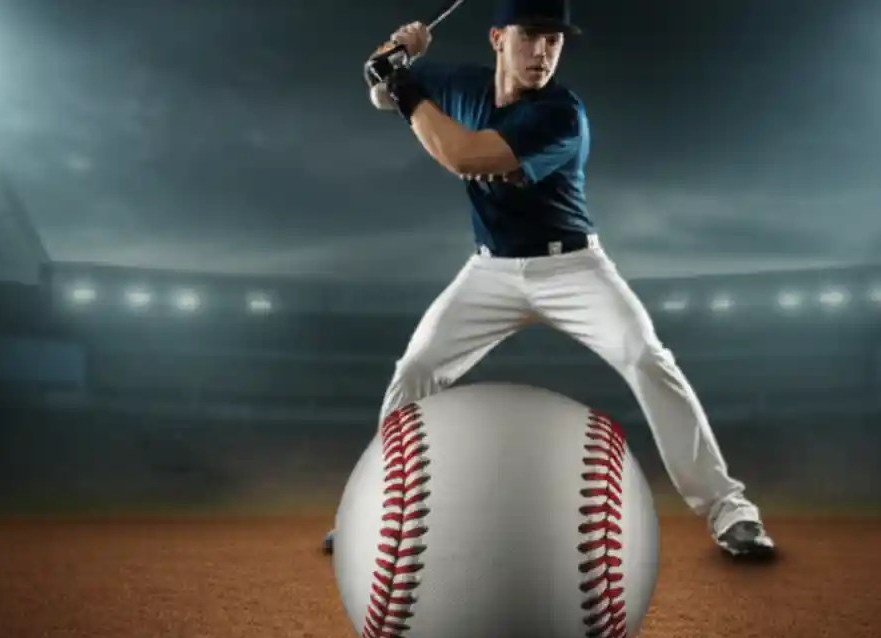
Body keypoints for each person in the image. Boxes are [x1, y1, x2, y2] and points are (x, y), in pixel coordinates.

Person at [323, 0, 775, 559]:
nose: (542, 52)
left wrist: (403, 85)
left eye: (554, 41)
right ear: (497, 38)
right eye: (530, 36)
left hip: (573, 268)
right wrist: (396, 53)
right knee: (415, 369)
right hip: (490, 269)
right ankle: (376, 508)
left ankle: (729, 507)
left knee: (645, 356)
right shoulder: (458, 83)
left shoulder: (561, 114)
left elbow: (465, 156)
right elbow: (377, 86)